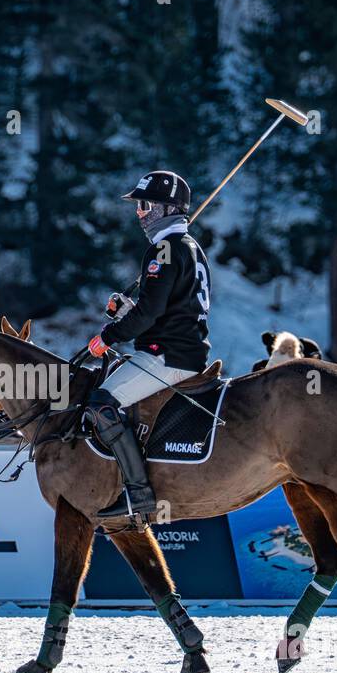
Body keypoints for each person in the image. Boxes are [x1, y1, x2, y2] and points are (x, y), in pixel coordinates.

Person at [82, 170, 211, 517]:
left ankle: (137, 493)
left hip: (168, 355)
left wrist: (108, 337)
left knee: (100, 403)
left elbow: (151, 312)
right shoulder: (189, 247)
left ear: (166, 208)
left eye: (144, 204)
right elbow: (166, 307)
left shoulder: (163, 250)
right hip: (186, 347)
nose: (139, 212)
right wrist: (126, 311)